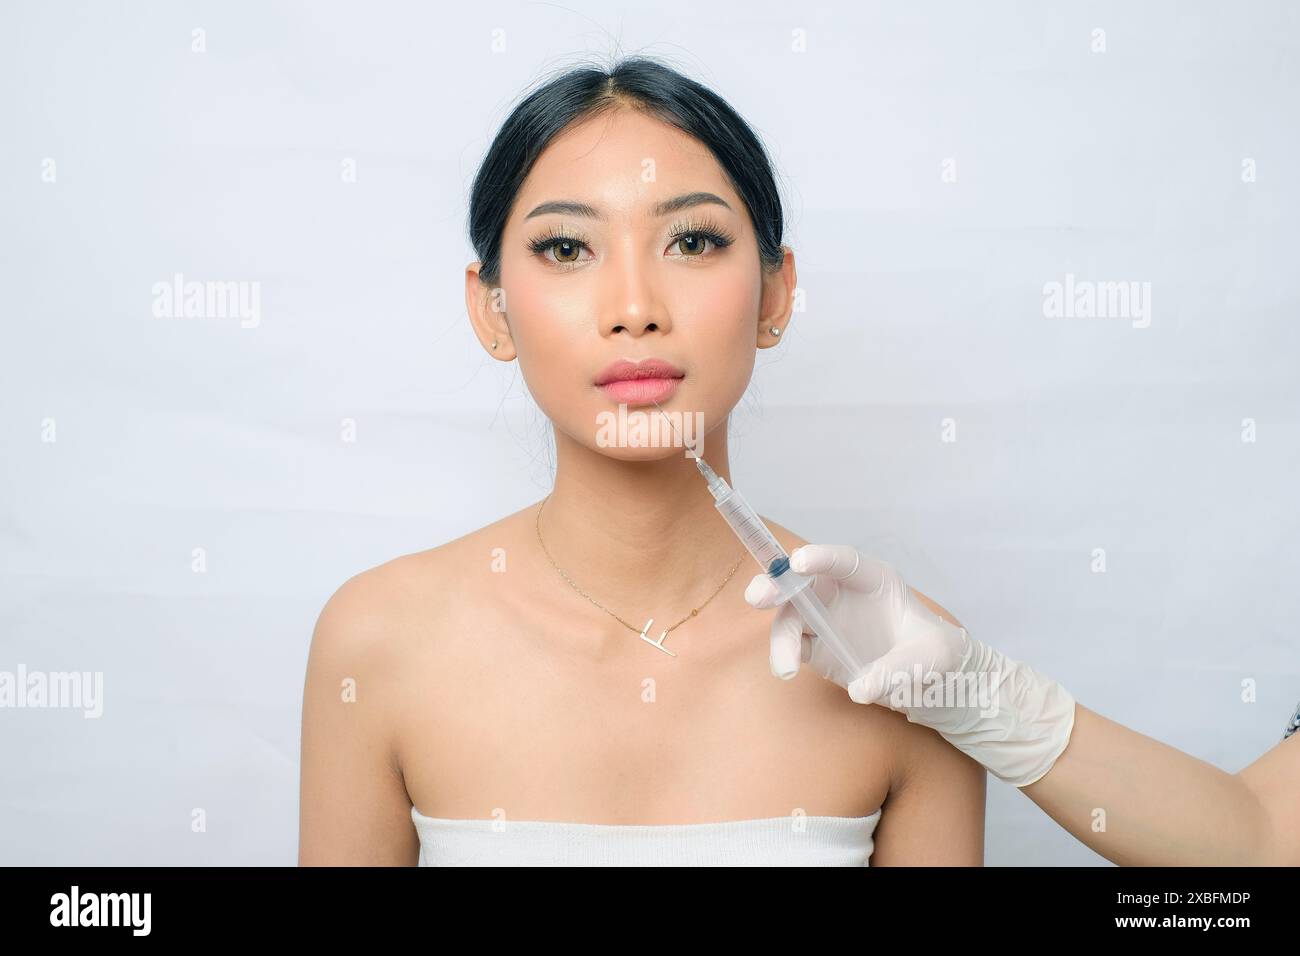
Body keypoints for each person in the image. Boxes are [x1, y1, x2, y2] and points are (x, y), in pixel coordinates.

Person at [298, 57, 986, 866]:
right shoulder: (378, 641)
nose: (634, 310)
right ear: (493, 310)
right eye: (565, 248)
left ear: (775, 294)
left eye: (692, 241)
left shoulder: (903, 658)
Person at [745, 544, 1300, 866]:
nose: (653, 332)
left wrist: (984, 698)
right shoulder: (911, 656)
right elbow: (1265, 842)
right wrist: (985, 697)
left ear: (771, 331)